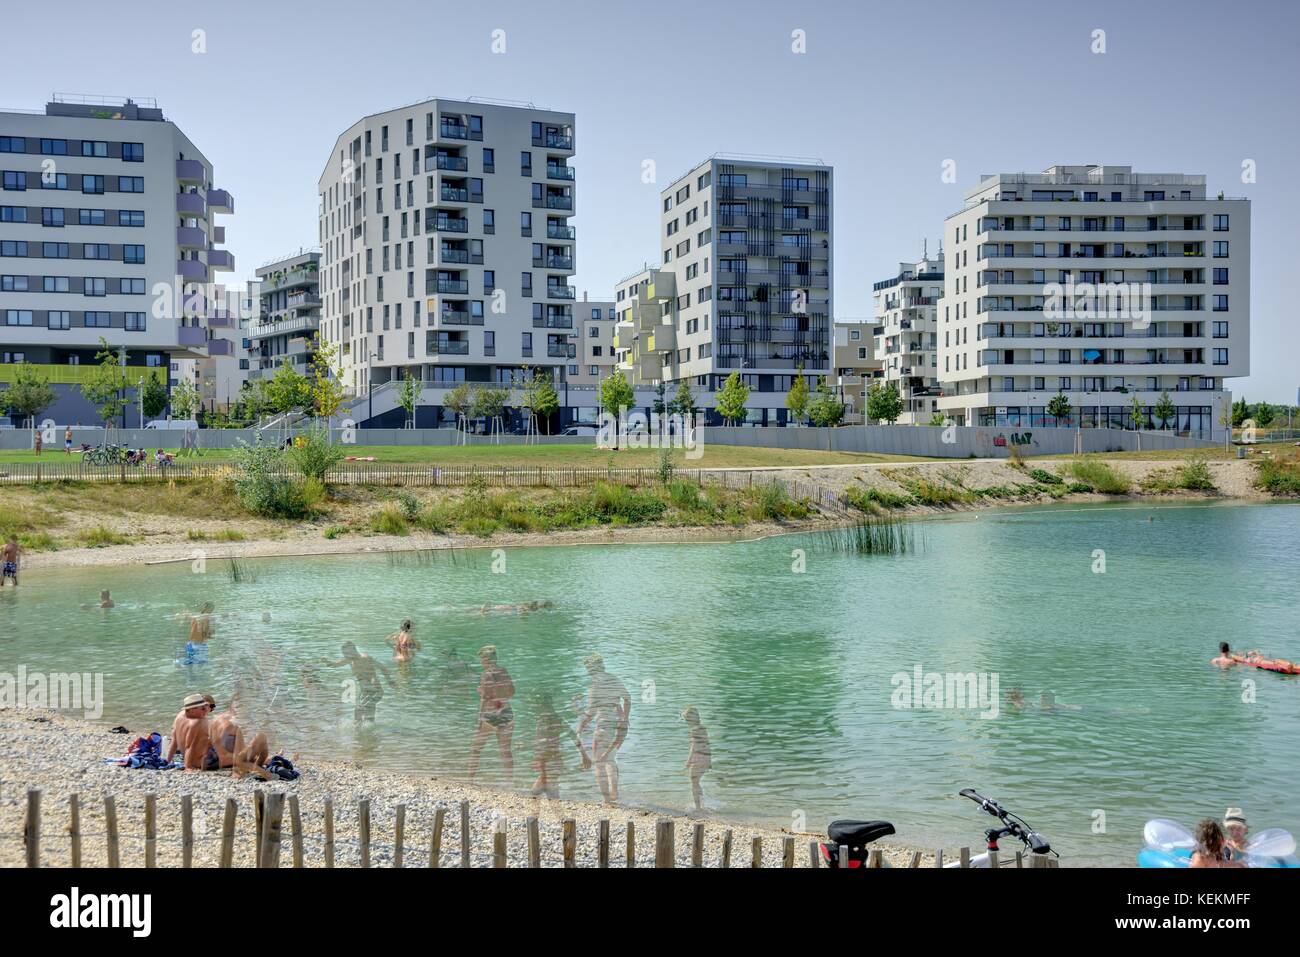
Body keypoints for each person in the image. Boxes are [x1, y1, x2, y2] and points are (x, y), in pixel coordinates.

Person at [576, 653, 631, 805]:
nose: (587, 670)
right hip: (617, 725)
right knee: (611, 760)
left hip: (603, 726)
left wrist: (581, 725)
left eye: (588, 667)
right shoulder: (614, 679)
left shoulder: (594, 685)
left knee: (599, 763)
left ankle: (606, 800)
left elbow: (592, 712)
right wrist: (625, 719)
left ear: (592, 667)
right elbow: (627, 698)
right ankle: (615, 792)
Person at [468, 645, 516, 784]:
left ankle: (469, 781)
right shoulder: (504, 671)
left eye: (481, 660)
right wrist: (499, 696)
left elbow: (485, 699)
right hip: (507, 714)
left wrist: (479, 719)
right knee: (506, 752)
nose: (480, 663)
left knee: (476, 749)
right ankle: (510, 783)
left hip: (491, 716)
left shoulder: (486, 675)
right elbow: (512, 692)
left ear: (486, 660)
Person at [529, 692, 589, 799]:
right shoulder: (552, 719)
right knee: (543, 790)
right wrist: (584, 755)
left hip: (549, 759)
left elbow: (540, 742)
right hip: (551, 759)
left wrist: (584, 756)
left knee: (541, 791)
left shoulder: (545, 719)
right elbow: (572, 735)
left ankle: (548, 807)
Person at [207, 695, 273, 780]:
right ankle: (258, 767)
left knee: (260, 738)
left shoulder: (216, 719)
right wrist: (263, 772)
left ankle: (257, 765)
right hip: (231, 761)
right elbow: (235, 759)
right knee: (261, 737)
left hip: (222, 759)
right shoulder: (235, 725)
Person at [325, 641, 394, 723]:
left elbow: (382, 667)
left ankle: (362, 732)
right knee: (364, 714)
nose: (345, 655)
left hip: (373, 689)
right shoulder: (349, 660)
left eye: (346, 653)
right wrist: (326, 661)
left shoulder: (365, 658)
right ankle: (366, 733)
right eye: (344, 653)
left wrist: (390, 681)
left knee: (361, 712)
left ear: (353, 650)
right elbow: (334, 665)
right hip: (365, 689)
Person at [166, 693, 215, 771]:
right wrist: (188, 766)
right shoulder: (199, 721)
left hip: (189, 757)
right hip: (200, 761)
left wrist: (167, 761)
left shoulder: (179, 716)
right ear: (192, 710)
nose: (206, 710)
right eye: (203, 708)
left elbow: (174, 741)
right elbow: (189, 746)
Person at [682, 706, 712, 813]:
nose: (687, 723)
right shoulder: (703, 729)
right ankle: (702, 805)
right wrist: (709, 760)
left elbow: (694, 747)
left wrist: (689, 761)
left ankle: (698, 807)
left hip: (698, 758)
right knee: (696, 782)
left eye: (687, 720)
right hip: (705, 757)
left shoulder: (694, 730)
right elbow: (707, 745)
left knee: (694, 783)